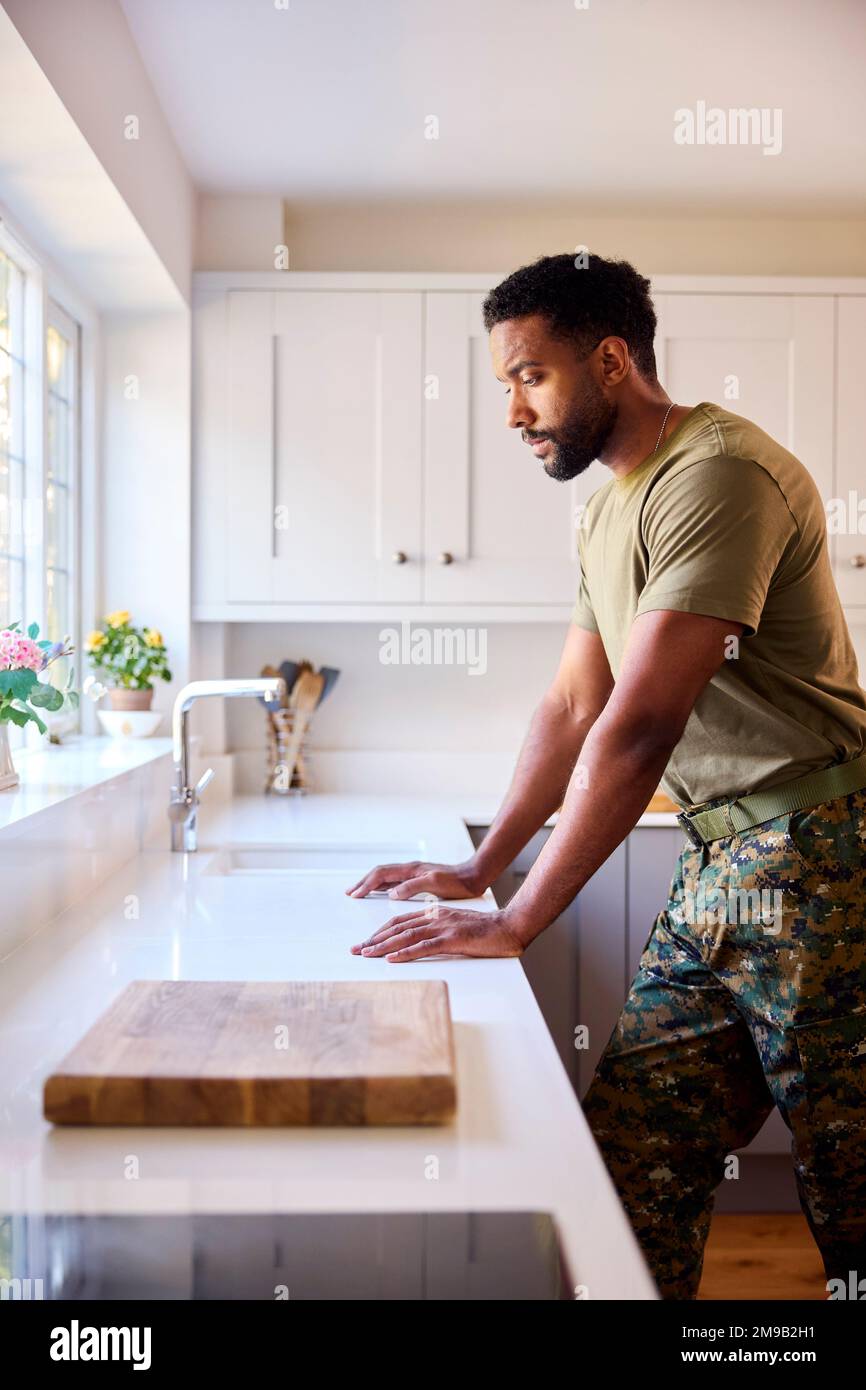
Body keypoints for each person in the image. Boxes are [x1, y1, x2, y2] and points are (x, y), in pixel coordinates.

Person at [346, 252, 866, 1299]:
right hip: (721, 863)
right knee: (629, 1169)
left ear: (612, 360)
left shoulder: (718, 474)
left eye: (528, 376)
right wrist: (480, 866)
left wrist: (517, 918)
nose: (511, 411)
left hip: (822, 860)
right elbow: (572, 705)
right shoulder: (604, 510)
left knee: (851, 1195)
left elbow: (636, 725)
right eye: (503, 382)